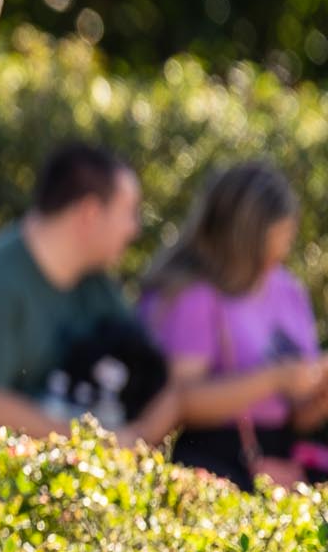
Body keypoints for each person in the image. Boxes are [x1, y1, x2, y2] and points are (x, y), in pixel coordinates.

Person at [0, 142, 183, 519]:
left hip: (57, 460)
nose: (135, 229)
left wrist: (141, 434)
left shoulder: (93, 284)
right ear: (89, 212)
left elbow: (155, 373)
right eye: (128, 212)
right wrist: (101, 449)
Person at [138, 161, 328, 489]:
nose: (282, 252)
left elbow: (297, 416)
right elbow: (175, 404)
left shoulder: (288, 289)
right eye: (275, 240)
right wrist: (275, 379)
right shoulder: (191, 295)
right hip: (212, 458)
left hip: (279, 453)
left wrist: (316, 397)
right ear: (245, 239)